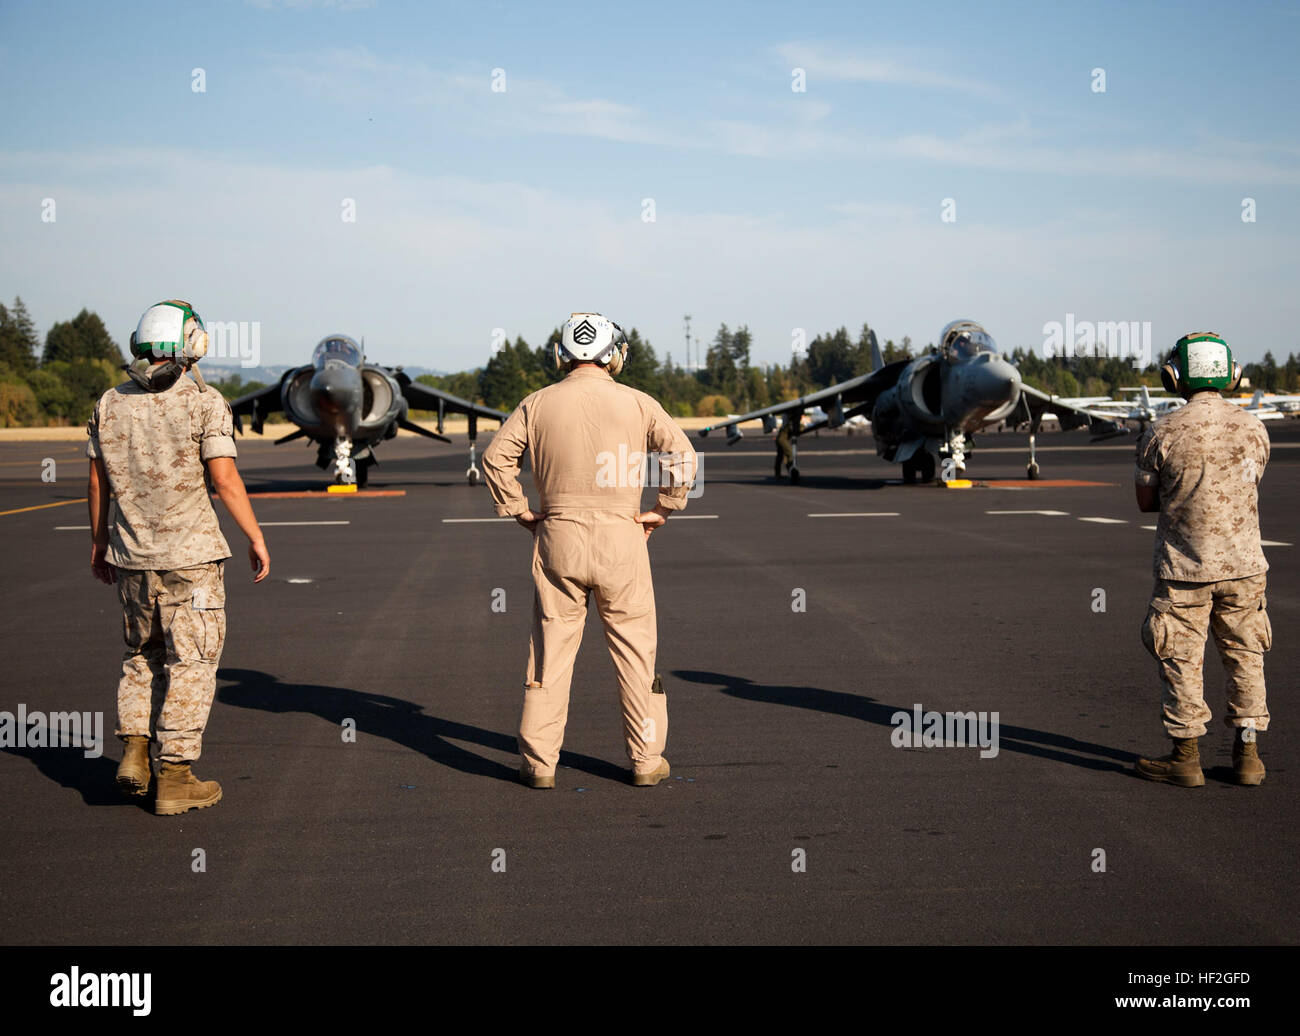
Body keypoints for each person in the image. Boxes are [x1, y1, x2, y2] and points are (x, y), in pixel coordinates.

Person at [482, 313, 697, 789]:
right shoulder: (638, 403)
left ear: (562, 354)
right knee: (635, 653)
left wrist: (520, 510)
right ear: (615, 354)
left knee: (550, 653)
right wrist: (663, 508)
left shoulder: (535, 404)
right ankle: (645, 760)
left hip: (558, 536)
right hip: (623, 537)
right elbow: (682, 456)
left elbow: (496, 459)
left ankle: (539, 764)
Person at [87, 300, 270, 815]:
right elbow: (225, 478)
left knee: (140, 656)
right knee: (190, 662)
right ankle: (175, 777)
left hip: (130, 558)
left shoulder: (109, 403)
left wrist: (100, 543)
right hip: (191, 560)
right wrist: (255, 536)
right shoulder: (206, 402)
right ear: (193, 345)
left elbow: (98, 479)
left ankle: (134, 755)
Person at [1133, 332, 1271, 788]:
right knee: (1246, 657)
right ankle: (1248, 756)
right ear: (1230, 375)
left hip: (1184, 570)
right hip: (1245, 566)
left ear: (1174, 377)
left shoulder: (1161, 431)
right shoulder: (1254, 428)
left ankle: (1185, 758)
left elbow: (1146, 501)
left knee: (1181, 658)